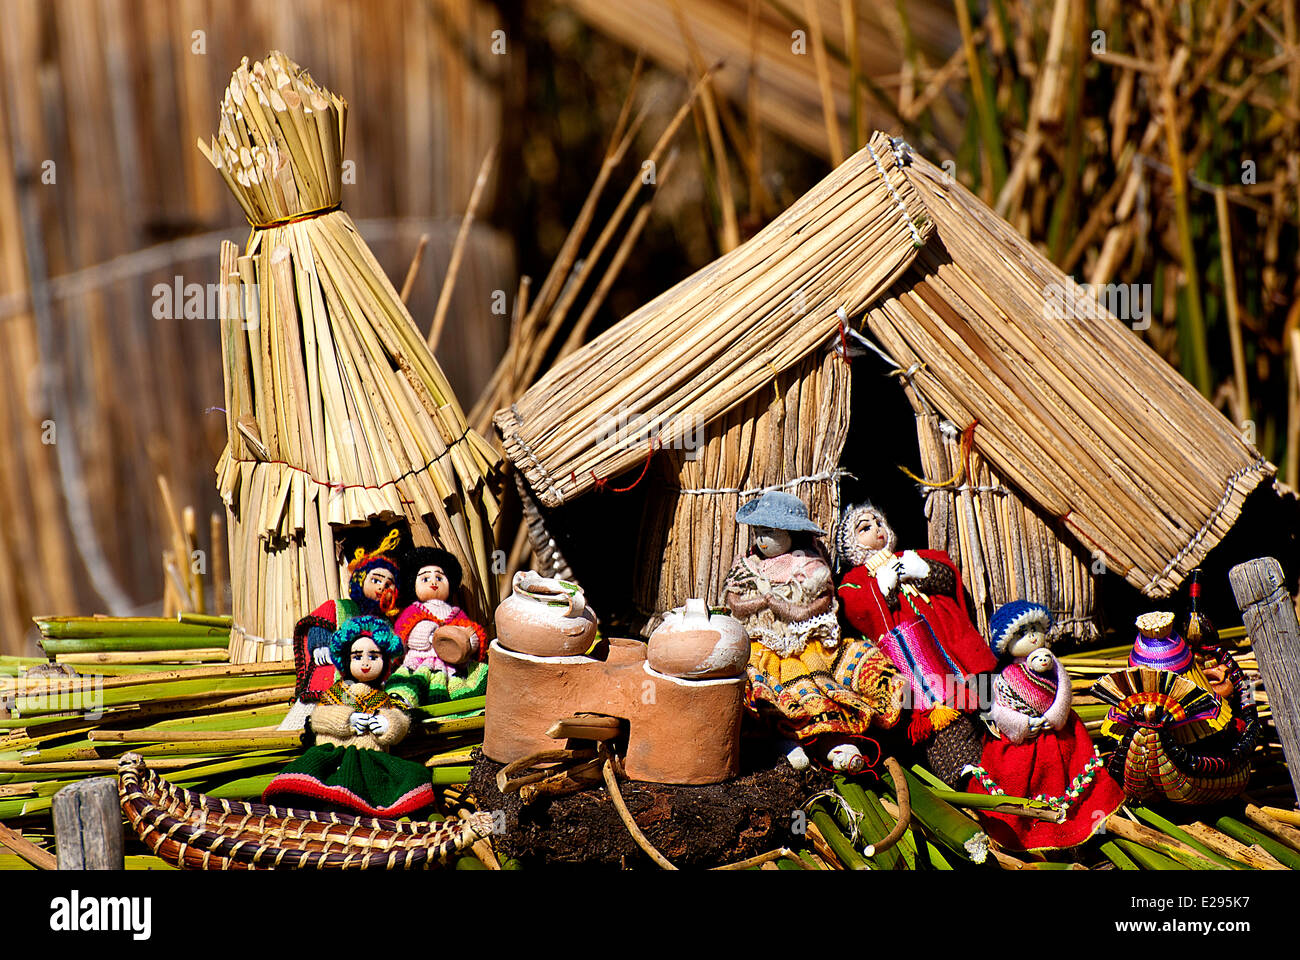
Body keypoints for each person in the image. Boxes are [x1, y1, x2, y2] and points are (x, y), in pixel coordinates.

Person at [722, 490, 904, 773]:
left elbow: (822, 599)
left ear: (791, 533)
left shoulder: (808, 563)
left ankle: (831, 743)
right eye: (758, 532)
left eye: (769, 532)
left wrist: (790, 609)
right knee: (765, 690)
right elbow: (734, 599)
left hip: (807, 644)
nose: (761, 540)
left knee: (819, 687)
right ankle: (784, 743)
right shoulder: (748, 564)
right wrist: (760, 601)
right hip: (762, 643)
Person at [836, 502, 997, 785]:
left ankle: (998, 764)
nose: (876, 528)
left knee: (986, 712)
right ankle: (967, 782)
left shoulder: (913, 556)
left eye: (877, 522)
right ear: (851, 545)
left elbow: (947, 578)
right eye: (864, 528)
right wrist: (882, 588)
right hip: (921, 674)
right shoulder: (856, 582)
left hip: (955, 651)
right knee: (947, 728)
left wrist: (922, 570)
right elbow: (858, 611)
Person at [965, 601, 1123, 851]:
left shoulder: (1054, 664)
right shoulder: (1005, 676)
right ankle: (1025, 829)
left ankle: (1077, 821)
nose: (1031, 635)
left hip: (1058, 732)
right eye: (1021, 632)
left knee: (1069, 769)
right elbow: (998, 710)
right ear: (1006, 644)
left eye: (1035, 628)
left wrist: (1054, 717)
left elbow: (1064, 692)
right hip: (1024, 739)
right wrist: (1023, 725)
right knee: (1014, 775)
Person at [264, 616, 436, 818]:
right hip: (334, 755)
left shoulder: (383, 698)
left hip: (370, 760)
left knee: (410, 776)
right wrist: (348, 720)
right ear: (346, 660)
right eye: (357, 656)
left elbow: (400, 720)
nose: (365, 663)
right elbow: (318, 718)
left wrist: (386, 724)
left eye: (373, 657)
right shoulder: (337, 693)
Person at [281, 529, 404, 730]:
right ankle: (295, 729)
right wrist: (320, 645)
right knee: (312, 706)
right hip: (331, 675)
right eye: (376, 580)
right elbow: (319, 624)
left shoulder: (388, 625)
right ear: (361, 579)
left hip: (369, 684)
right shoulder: (339, 607)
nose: (382, 587)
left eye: (388, 584)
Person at [387, 547, 488, 706]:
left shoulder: (455, 613)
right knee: (417, 681)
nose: (434, 582)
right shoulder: (413, 611)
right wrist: (430, 635)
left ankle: (463, 702)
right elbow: (404, 634)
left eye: (439, 578)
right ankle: (405, 699)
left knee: (461, 683)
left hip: (452, 665)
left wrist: (467, 640)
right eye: (425, 579)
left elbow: (470, 631)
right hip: (421, 660)